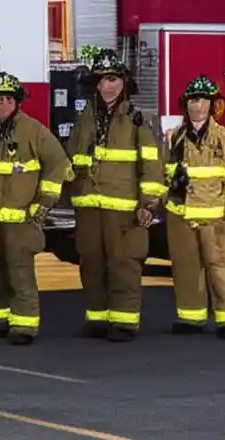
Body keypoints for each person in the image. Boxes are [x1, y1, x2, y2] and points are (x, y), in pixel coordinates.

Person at [64, 49, 167, 342]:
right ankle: (97, 318)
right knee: (92, 264)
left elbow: (151, 164)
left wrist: (148, 204)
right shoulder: (86, 118)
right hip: (89, 207)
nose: (107, 86)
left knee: (124, 264)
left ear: (123, 83)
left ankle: (124, 322)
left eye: (112, 79)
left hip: (124, 209)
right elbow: (74, 156)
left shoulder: (136, 120)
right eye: (101, 80)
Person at [0, 71, 70, 344]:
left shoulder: (34, 131)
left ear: (17, 102)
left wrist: (43, 203)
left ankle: (24, 325)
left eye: (8, 99)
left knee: (19, 270)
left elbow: (58, 164)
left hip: (21, 219)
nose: (3, 105)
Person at [163, 75, 225, 340]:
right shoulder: (175, 138)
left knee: (220, 267)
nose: (197, 106)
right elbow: (163, 172)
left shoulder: (224, 138)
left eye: (202, 101)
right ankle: (191, 317)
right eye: (192, 100)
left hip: (215, 216)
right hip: (182, 216)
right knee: (186, 268)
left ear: (212, 106)